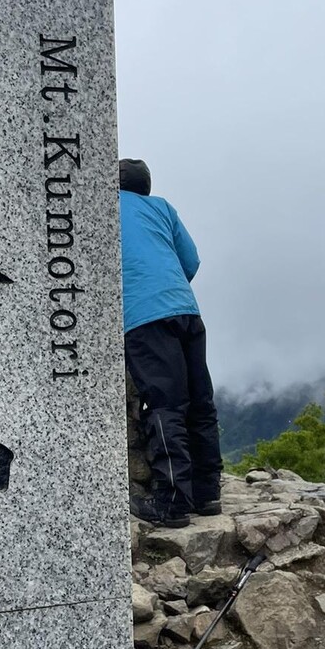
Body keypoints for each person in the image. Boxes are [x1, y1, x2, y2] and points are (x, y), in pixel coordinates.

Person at [119, 157, 222, 528]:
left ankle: (173, 502)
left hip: (144, 316)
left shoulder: (106, 207)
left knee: (165, 403)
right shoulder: (162, 207)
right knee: (200, 401)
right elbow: (190, 262)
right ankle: (208, 493)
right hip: (186, 310)